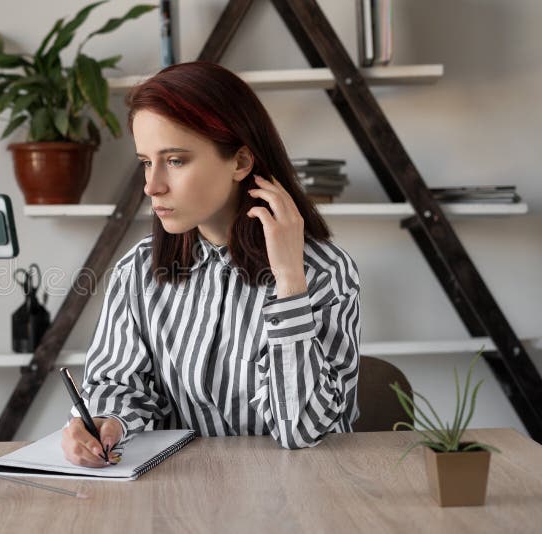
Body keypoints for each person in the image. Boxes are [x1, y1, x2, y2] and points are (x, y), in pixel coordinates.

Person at [61, 61, 360, 468]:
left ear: (240, 162)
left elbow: (303, 429)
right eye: (147, 162)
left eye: (176, 160)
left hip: (298, 497)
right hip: (175, 498)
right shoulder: (138, 270)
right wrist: (105, 420)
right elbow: (118, 384)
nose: (152, 185)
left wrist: (290, 281)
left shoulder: (324, 273)